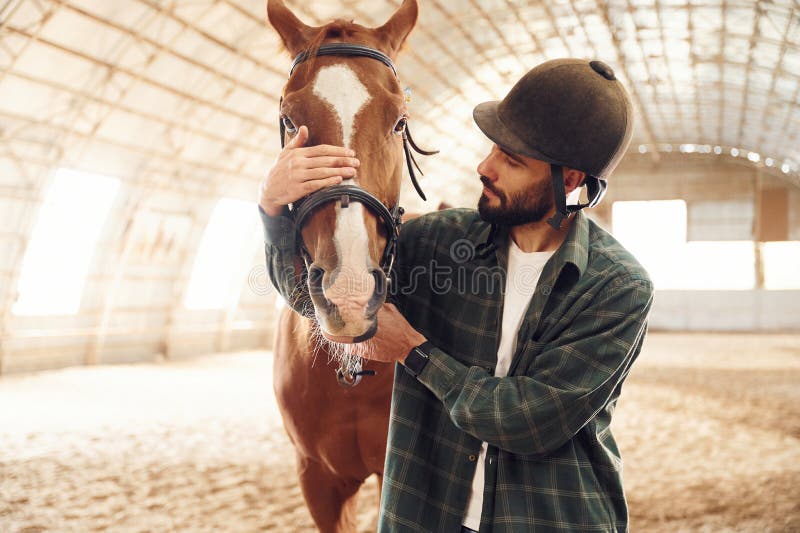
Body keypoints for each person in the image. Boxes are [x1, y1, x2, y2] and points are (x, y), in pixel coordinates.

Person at [259, 58, 654, 532]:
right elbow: (322, 301)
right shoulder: (434, 244)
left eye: (512, 161)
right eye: (493, 148)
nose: (484, 167)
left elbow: (528, 422)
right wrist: (272, 207)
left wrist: (413, 352)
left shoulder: (618, 287)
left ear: (568, 181)